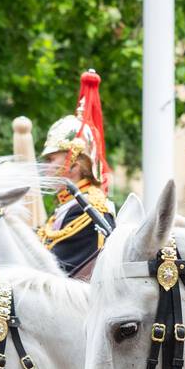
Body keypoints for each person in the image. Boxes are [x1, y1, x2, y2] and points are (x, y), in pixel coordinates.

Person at [38, 70, 113, 280]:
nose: (46, 167)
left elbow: (53, 271)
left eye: (51, 159)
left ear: (75, 163)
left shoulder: (87, 209)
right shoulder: (70, 205)